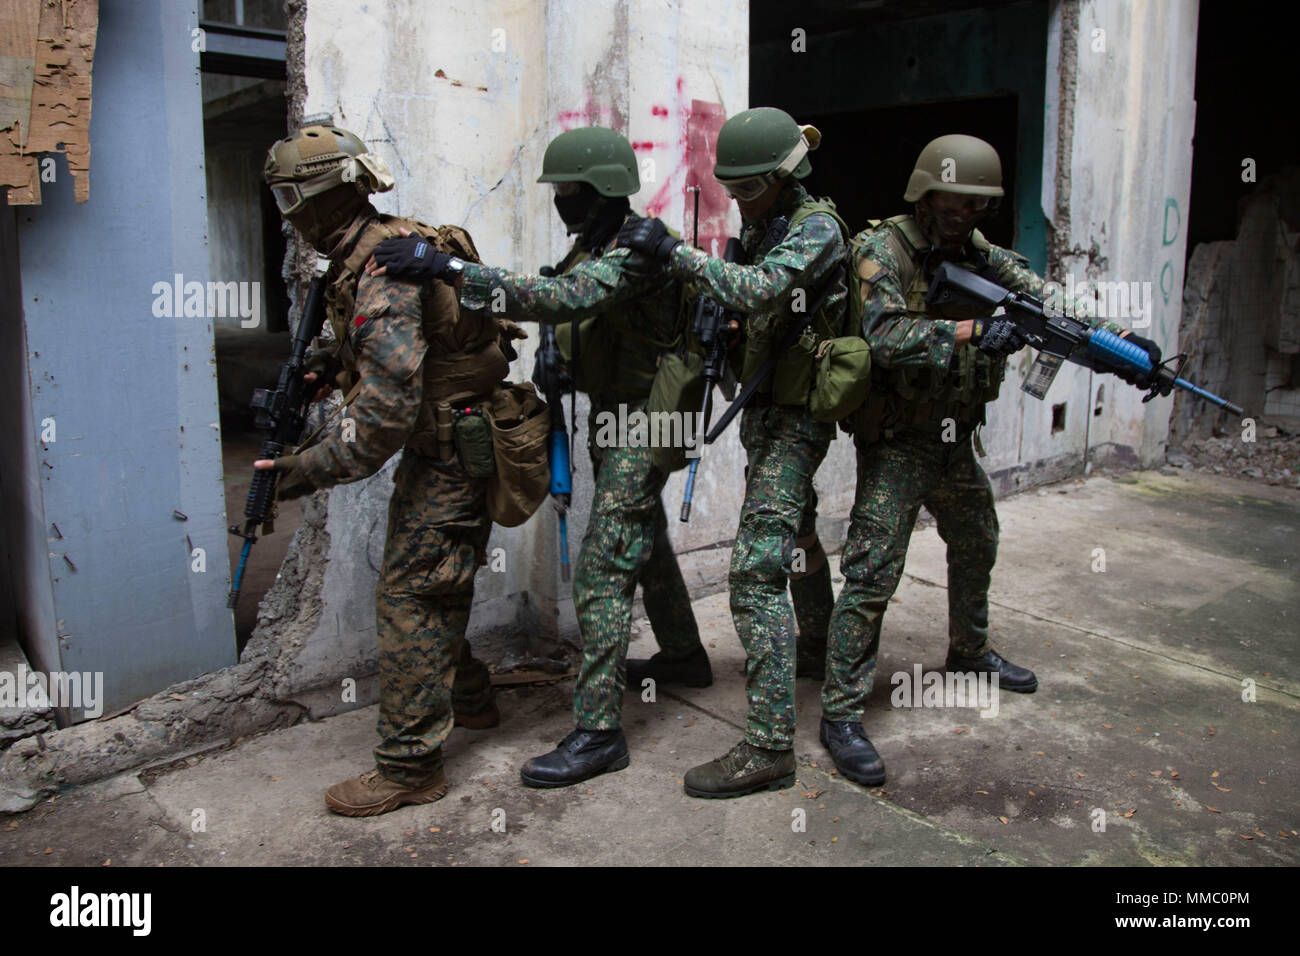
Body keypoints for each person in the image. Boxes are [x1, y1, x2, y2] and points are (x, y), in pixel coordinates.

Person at [366, 127, 714, 788]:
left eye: (570, 191)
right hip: (615, 413)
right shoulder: (593, 243)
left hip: (649, 416)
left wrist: (449, 269)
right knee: (644, 539)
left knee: (603, 565)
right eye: (557, 191)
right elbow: (561, 293)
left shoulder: (638, 250)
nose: (561, 202)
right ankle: (685, 657)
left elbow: (563, 298)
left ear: (606, 191)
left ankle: (599, 732)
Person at [822, 133, 1162, 783]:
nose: (964, 215)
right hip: (897, 442)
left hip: (953, 439)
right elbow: (883, 335)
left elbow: (1048, 302)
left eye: (976, 206)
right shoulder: (878, 250)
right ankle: (840, 711)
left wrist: (1125, 349)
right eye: (953, 201)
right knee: (872, 568)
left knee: (977, 537)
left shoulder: (975, 252)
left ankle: (969, 653)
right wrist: (977, 330)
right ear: (924, 191)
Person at [260, 120, 516, 816]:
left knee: (412, 594)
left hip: (451, 450)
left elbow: (377, 426)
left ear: (322, 197)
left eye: (292, 200)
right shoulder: (373, 253)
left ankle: (410, 769)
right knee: (430, 582)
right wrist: (321, 367)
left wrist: (295, 473)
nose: (291, 219)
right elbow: (388, 352)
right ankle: (473, 698)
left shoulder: (384, 271)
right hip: (444, 443)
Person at [618, 107, 870, 798]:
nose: (736, 199)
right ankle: (814, 643)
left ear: (784, 178)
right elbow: (759, 305)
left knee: (756, 572)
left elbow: (764, 289)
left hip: (795, 419)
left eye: (750, 187)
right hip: (769, 411)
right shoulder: (765, 227)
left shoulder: (815, 227)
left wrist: (676, 252)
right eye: (732, 188)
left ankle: (768, 747)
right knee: (801, 534)